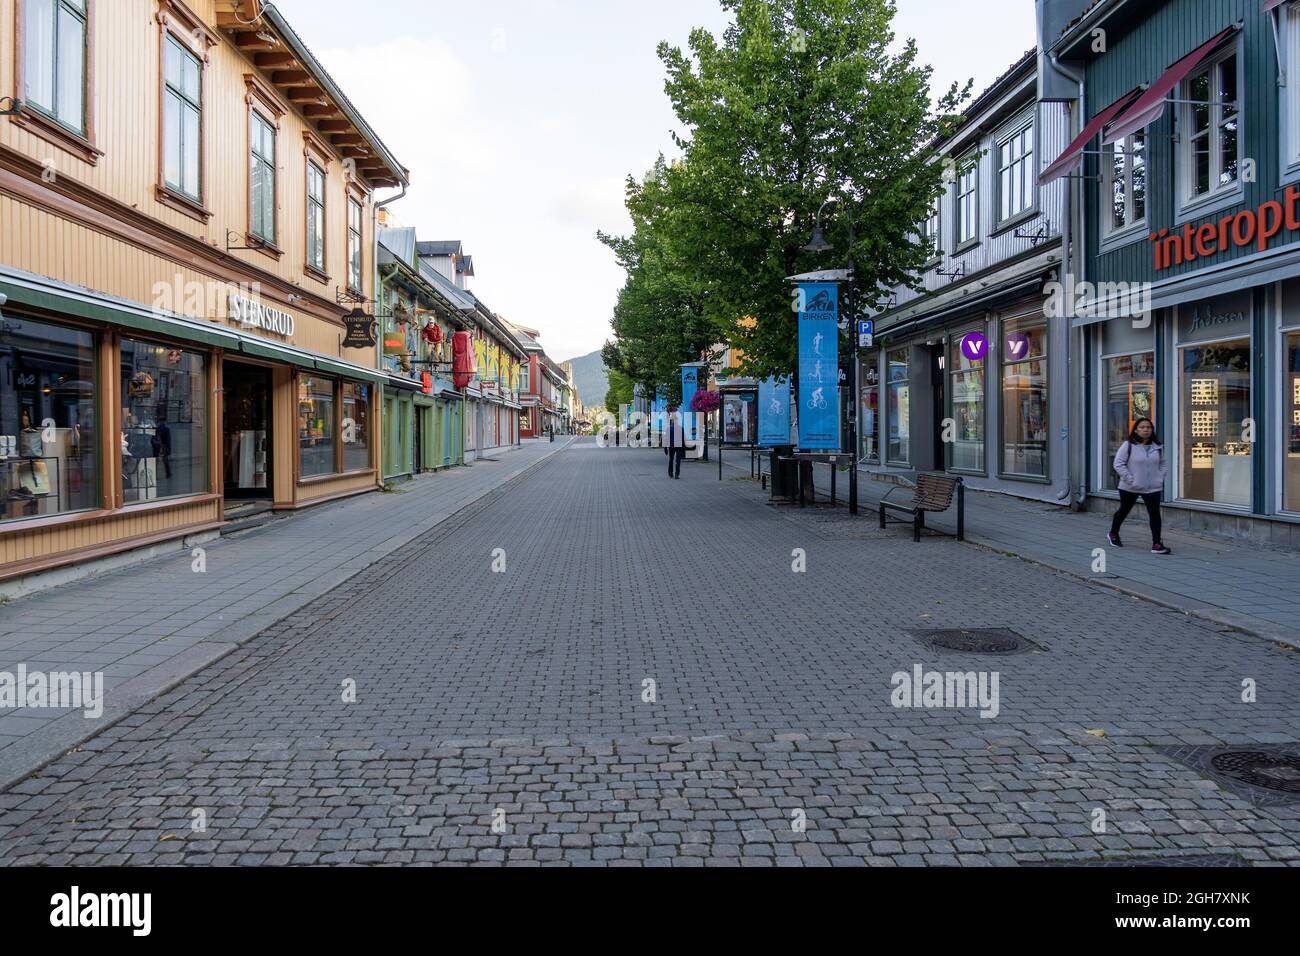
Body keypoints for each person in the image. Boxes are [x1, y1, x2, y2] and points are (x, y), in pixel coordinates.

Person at [1109, 417, 1171, 554]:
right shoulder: (1129, 445)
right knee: (1124, 510)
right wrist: (1131, 479)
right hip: (1130, 486)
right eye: (1142, 427)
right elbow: (1118, 464)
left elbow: (1163, 464)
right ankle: (1113, 533)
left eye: (1148, 427)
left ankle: (1156, 544)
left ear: (1152, 430)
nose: (1146, 430)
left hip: (1153, 487)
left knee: (1155, 514)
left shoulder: (1158, 447)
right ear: (1136, 429)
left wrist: (1160, 478)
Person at [664, 403, 685, 479]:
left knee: (671, 459)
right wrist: (683, 448)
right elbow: (683, 439)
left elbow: (666, 439)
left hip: (671, 446)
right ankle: (677, 474)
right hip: (679, 446)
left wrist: (665, 448)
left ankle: (670, 473)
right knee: (678, 461)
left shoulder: (669, 428)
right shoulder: (681, 428)